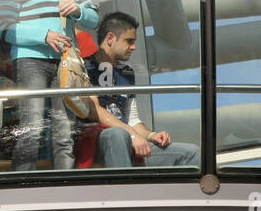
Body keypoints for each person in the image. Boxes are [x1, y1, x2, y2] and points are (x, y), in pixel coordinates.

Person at [0, 0, 98, 171]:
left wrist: (78, 10)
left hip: (65, 62)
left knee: (65, 133)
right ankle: (24, 187)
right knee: (31, 131)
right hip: (30, 61)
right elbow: (3, 28)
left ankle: (65, 187)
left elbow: (94, 18)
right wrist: (43, 37)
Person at [83, 11, 200, 169]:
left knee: (191, 153)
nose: (134, 46)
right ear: (110, 38)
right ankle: (124, 192)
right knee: (117, 135)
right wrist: (131, 134)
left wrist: (152, 136)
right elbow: (93, 109)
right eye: (129, 41)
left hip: (128, 141)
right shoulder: (84, 67)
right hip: (97, 142)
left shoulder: (126, 73)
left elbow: (132, 119)